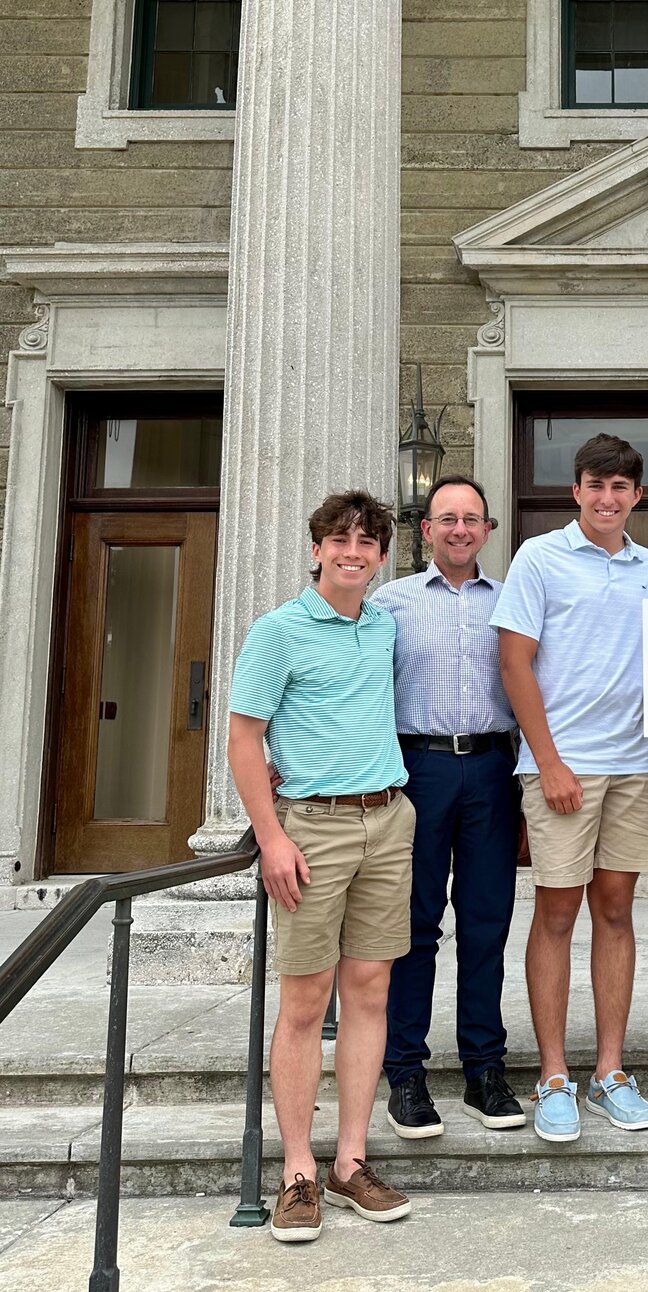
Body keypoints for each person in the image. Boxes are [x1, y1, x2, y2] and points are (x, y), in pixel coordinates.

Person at [227, 490, 415, 1243]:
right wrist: (271, 837)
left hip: (388, 819)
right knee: (306, 1001)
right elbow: (244, 739)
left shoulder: (383, 624)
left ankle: (351, 1162)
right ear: (317, 550)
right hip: (313, 829)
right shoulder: (278, 630)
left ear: (381, 556)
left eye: (367, 542)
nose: (353, 552)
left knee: (370, 992)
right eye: (340, 539)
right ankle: (298, 1171)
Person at [491, 433, 648, 1143]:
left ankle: (610, 1073)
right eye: (597, 485)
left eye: (620, 486)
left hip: (635, 764)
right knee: (558, 912)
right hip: (563, 765)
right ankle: (554, 1077)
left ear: (636, 495)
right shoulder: (539, 558)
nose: (607, 498)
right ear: (576, 491)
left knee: (617, 912)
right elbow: (514, 664)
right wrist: (549, 763)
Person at [370, 474, 526, 1139]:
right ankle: (405, 1071)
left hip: (492, 768)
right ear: (426, 529)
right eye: (447, 519)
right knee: (413, 925)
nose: (460, 529)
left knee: (487, 923)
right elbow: (363, 688)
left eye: (471, 519)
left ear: (487, 529)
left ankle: (484, 1069)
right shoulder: (389, 602)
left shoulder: (514, 601)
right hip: (418, 770)